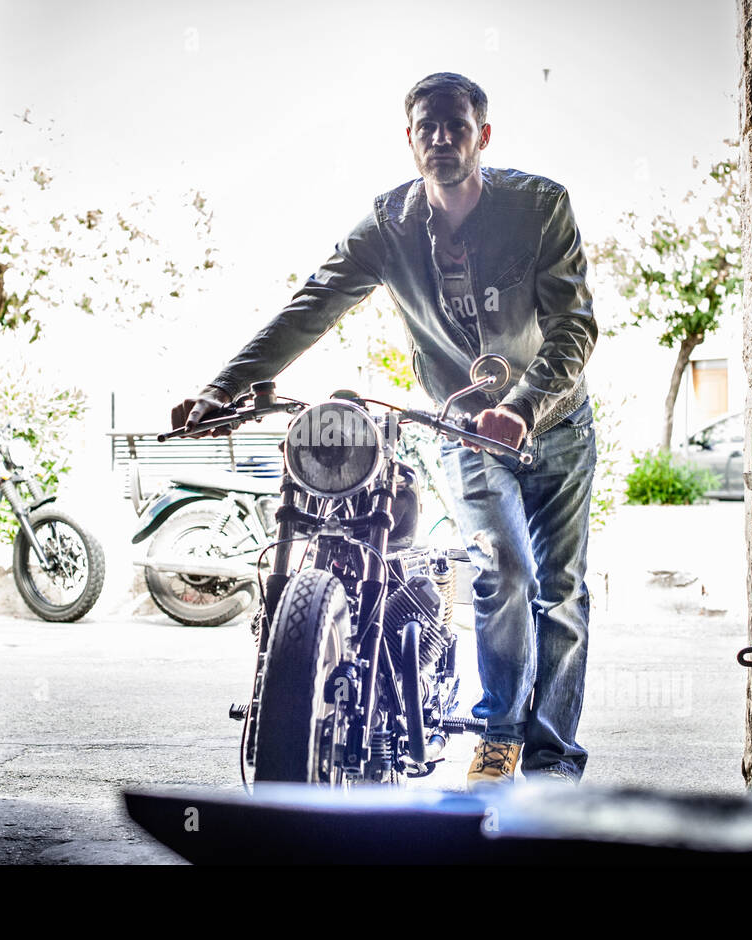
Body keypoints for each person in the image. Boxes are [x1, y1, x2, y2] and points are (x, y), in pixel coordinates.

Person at [171, 72, 598, 788]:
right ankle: (498, 735)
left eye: (456, 125)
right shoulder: (388, 226)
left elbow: (574, 325)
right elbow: (312, 305)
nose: (441, 138)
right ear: (410, 139)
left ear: (482, 136)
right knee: (503, 568)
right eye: (426, 127)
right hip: (465, 431)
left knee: (561, 588)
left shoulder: (540, 207)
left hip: (553, 423)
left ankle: (552, 759)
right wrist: (223, 386)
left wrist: (522, 408)